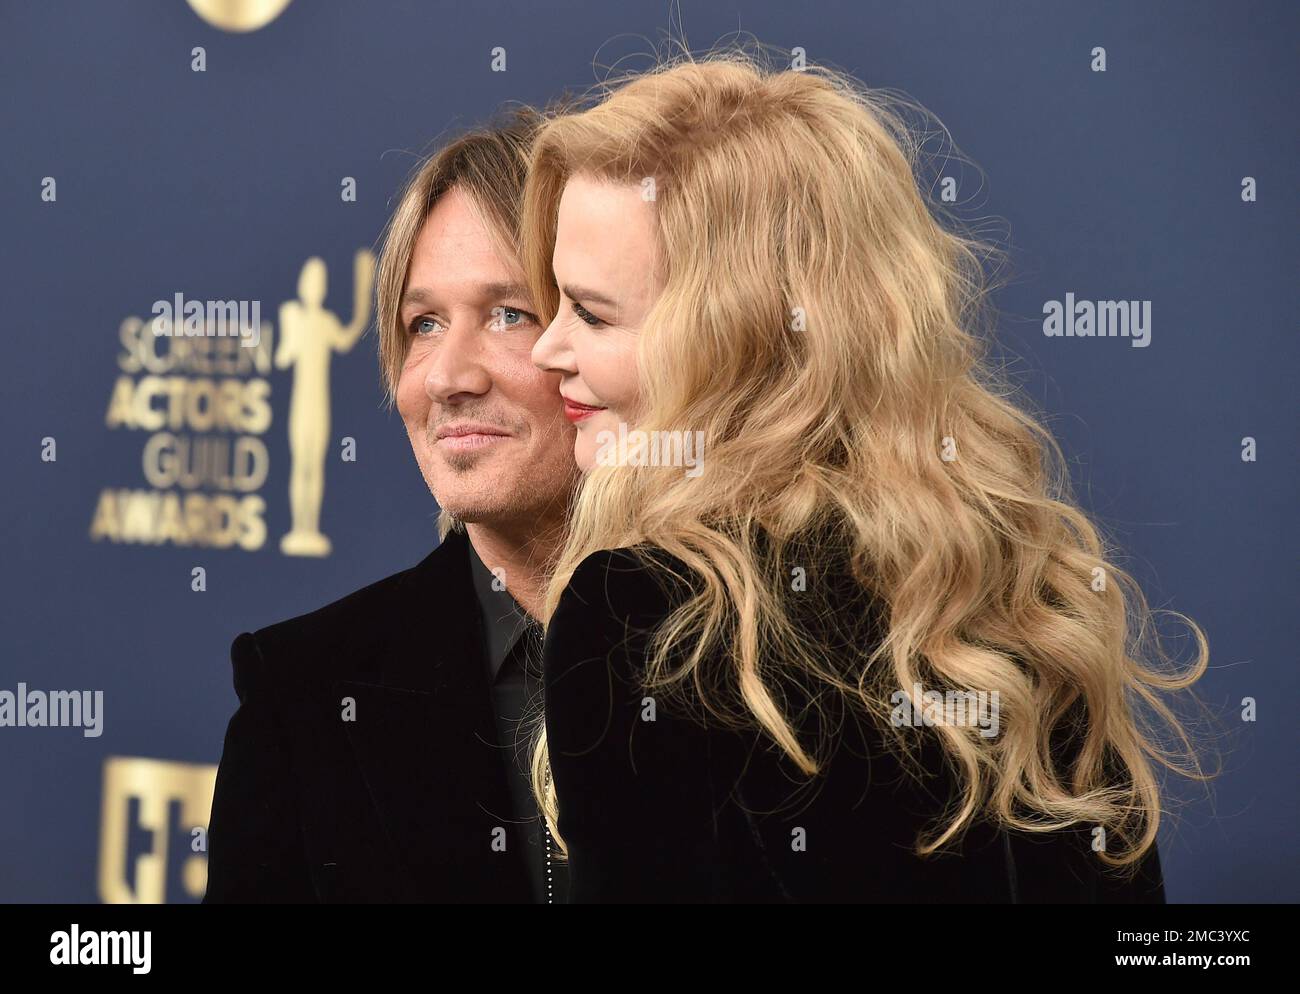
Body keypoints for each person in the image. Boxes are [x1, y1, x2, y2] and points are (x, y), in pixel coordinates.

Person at [521, 49, 1211, 902]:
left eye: (589, 312)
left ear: (738, 341)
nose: (546, 349)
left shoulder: (640, 606)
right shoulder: (1016, 581)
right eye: (551, 304)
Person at [203, 106, 580, 903]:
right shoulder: (300, 695)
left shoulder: (755, 663)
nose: (447, 377)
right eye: (423, 324)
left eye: (509, 313)